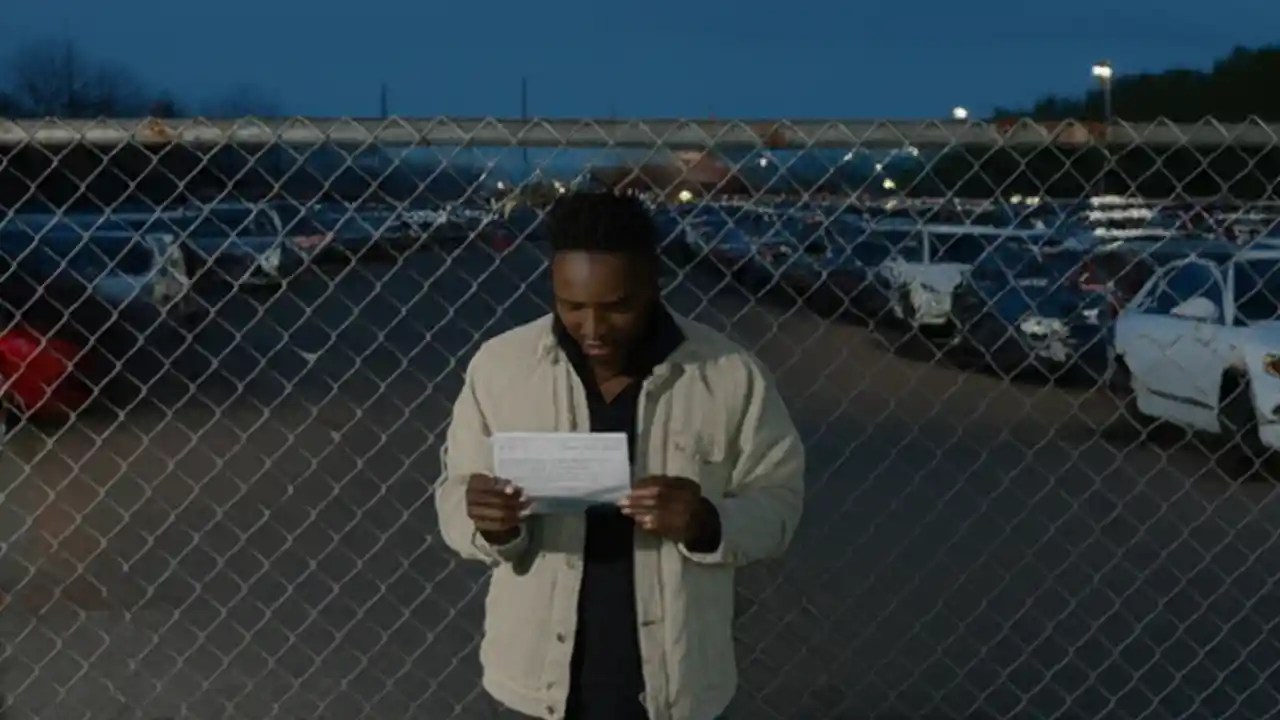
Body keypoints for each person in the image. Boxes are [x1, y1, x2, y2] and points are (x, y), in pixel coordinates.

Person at [435, 191, 805, 720]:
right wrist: (488, 523)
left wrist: (707, 521)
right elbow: (454, 494)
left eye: (617, 307)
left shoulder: (728, 375)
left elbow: (780, 505)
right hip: (532, 687)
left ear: (656, 283)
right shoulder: (501, 368)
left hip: (676, 689)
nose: (592, 328)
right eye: (572, 305)